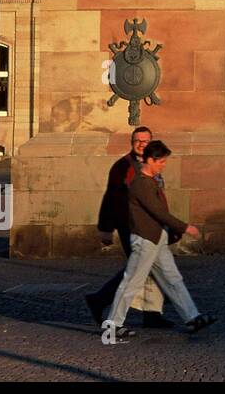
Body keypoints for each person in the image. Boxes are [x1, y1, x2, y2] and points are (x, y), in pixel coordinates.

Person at [104, 140, 217, 339]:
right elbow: (157, 211)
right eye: (160, 162)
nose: (163, 165)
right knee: (132, 281)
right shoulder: (141, 183)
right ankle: (112, 324)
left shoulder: (150, 181)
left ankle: (192, 316)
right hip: (146, 239)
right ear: (150, 160)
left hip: (157, 238)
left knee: (173, 278)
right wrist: (185, 227)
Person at [86, 126, 172, 329]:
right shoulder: (123, 166)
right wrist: (106, 228)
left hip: (152, 226)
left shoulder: (152, 163)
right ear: (132, 143)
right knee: (139, 269)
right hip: (130, 226)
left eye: (145, 141)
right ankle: (99, 300)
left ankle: (152, 314)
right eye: (137, 141)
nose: (141, 144)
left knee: (148, 268)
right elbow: (110, 198)